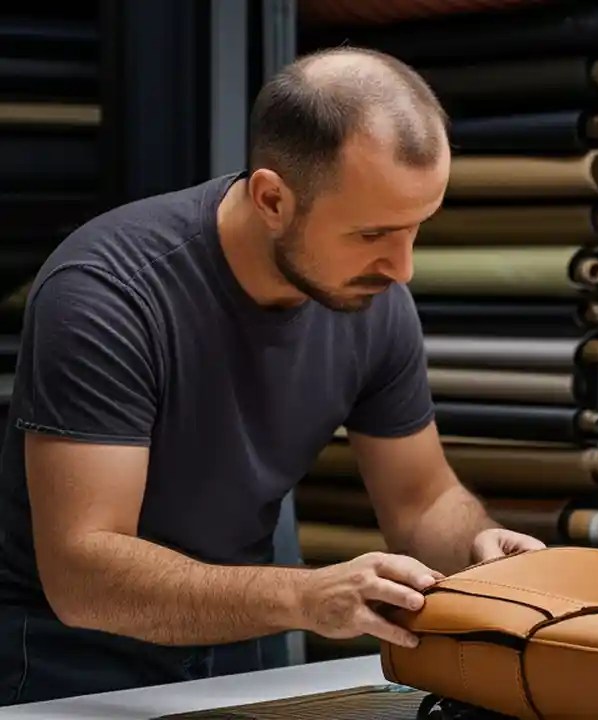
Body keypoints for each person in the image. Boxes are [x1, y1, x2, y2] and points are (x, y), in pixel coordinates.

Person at [0, 46, 544, 705]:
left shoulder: (373, 301)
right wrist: (306, 596)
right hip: (72, 662)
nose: (402, 268)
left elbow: (420, 500)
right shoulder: (107, 293)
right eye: (372, 233)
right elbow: (83, 572)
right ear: (272, 199)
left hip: (240, 646)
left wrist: (476, 548)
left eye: (416, 228)